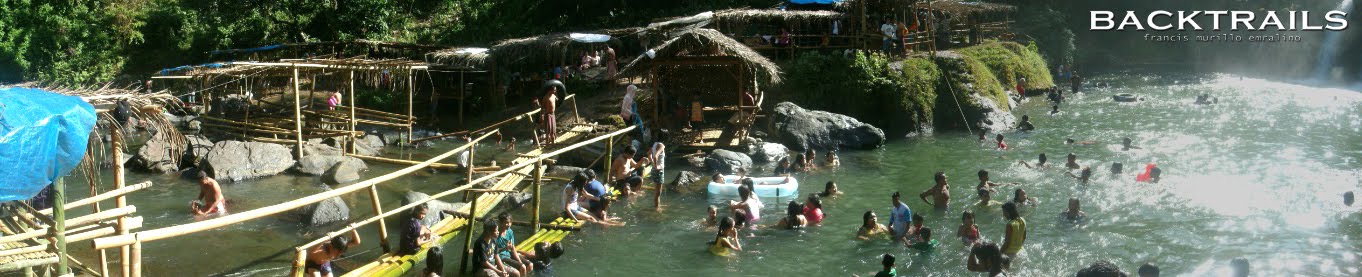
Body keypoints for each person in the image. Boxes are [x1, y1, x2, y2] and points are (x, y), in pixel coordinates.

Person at [647, 132, 668, 209]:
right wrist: (656, 166)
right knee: (658, 191)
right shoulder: (661, 145)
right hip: (659, 170)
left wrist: (652, 163)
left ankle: (657, 205)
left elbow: (648, 153)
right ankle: (657, 207)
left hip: (654, 169)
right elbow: (655, 156)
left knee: (657, 190)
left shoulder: (655, 144)